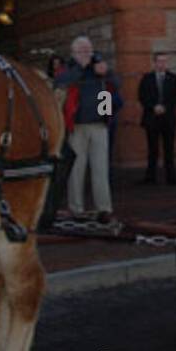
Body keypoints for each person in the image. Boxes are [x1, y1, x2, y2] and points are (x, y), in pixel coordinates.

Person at [55, 36, 118, 220]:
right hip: (77, 126)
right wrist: (81, 67)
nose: (86, 52)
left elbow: (116, 84)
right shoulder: (67, 68)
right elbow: (60, 81)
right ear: (73, 52)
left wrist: (106, 73)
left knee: (101, 168)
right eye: (81, 50)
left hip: (99, 124)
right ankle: (76, 209)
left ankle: (104, 208)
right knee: (76, 169)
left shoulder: (99, 66)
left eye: (88, 48)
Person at [138, 52, 176, 183]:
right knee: (152, 149)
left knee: (169, 148)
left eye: (164, 61)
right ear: (155, 63)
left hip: (168, 118)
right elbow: (142, 96)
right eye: (159, 61)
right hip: (152, 118)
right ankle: (150, 177)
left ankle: (171, 177)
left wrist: (165, 107)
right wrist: (153, 107)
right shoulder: (147, 78)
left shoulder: (173, 78)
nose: (162, 64)